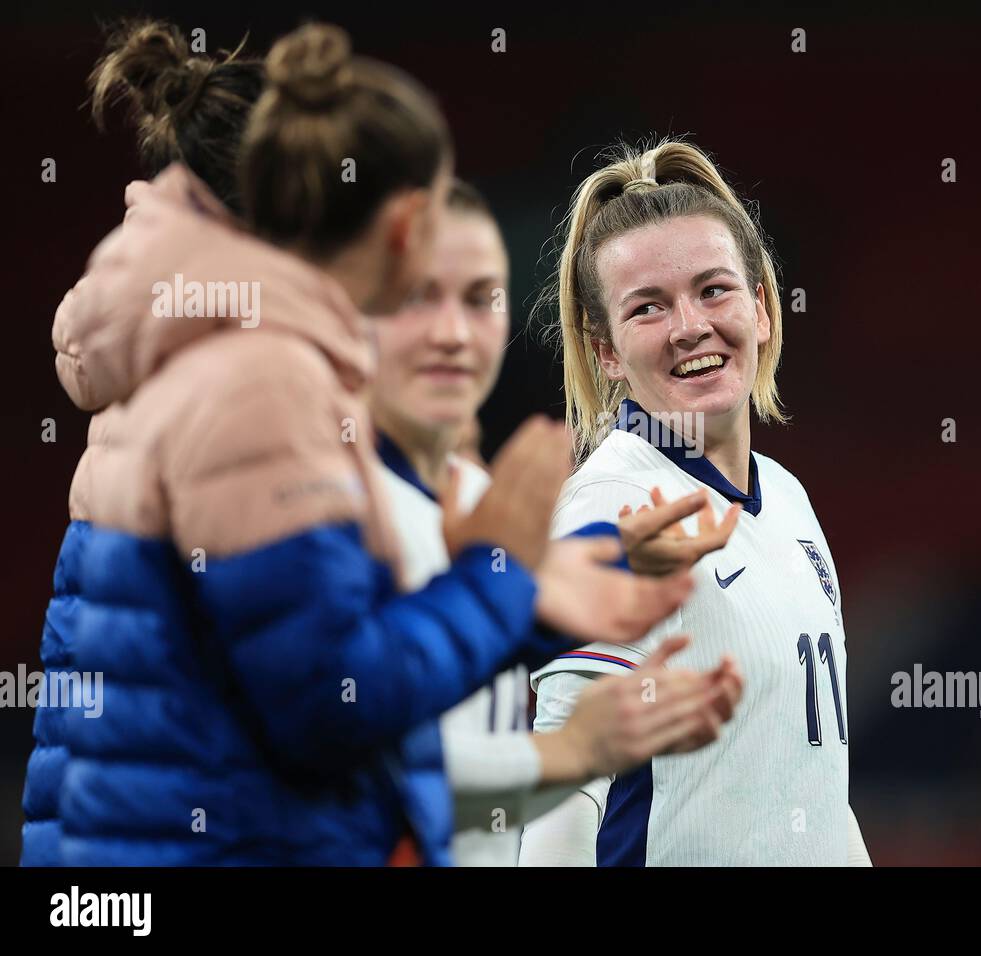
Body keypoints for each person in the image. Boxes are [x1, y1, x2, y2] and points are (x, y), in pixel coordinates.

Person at [22, 22, 690, 867]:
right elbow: (327, 705)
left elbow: (277, 660)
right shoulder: (262, 379)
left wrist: (535, 592)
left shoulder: (208, 352)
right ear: (404, 219)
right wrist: (506, 592)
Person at [520, 139, 873, 866]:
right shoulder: (614, 505)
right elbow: (562, 792)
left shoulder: (789, 500)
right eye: (648, 307)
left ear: (763, 308)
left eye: (713, 290)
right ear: (606, 350)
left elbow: (816, 790)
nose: (690, 326)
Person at [372, 179, 743, 865]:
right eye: (420, 298)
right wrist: (570, 751)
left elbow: (444, 768)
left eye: (480, 297)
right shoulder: (294, 502)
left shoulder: (481, 503)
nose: (455, 332)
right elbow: (325, 771)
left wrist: (552, 592)